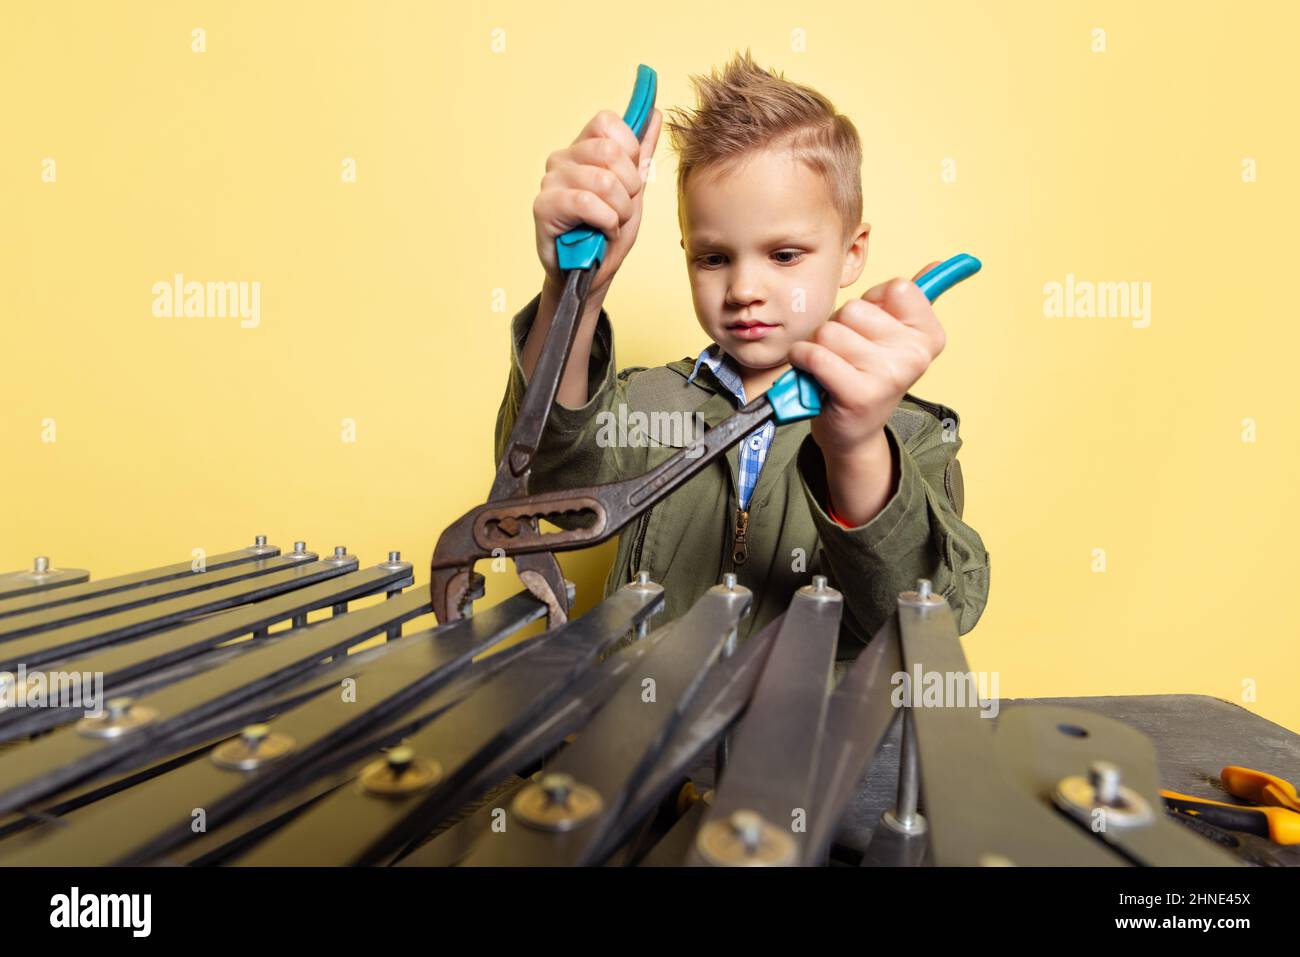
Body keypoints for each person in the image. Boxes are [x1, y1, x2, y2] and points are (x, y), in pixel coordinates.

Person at [496, 50, 989, 664]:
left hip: (815, 753)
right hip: (639, 743)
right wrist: (576, 290)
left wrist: (857, 446)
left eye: (784, 255)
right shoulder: (648, 403)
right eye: (713, 257)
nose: (744, 289)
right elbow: (544, 479)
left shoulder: (909, 437)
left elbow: (922, 616)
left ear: (853, 252)